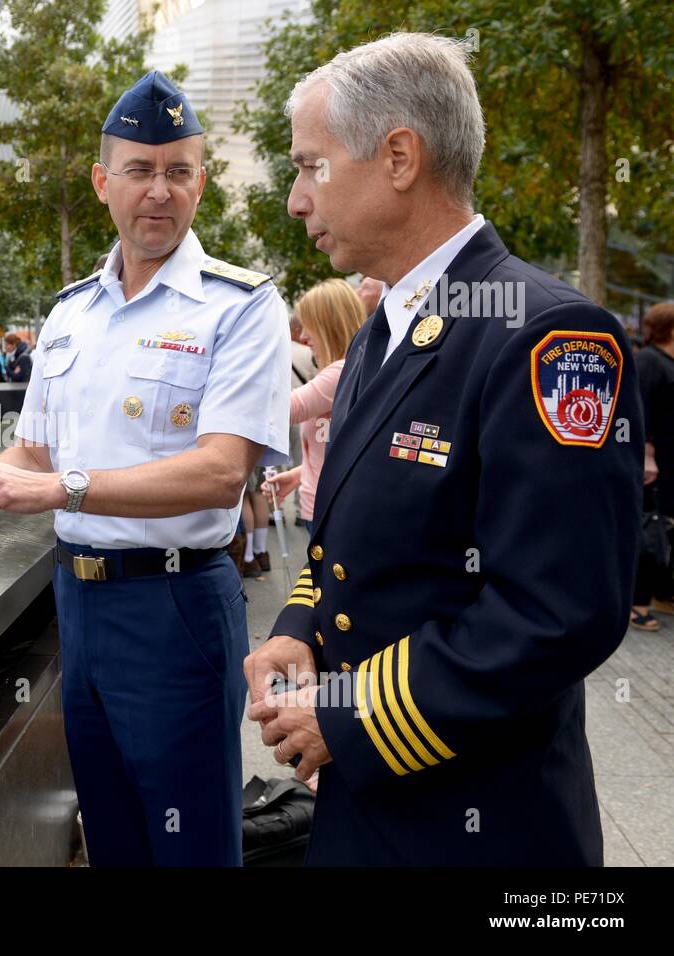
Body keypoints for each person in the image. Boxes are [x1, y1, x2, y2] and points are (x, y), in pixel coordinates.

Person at [243, 33, 641, 866]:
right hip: (367, 804)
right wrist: (299, 628)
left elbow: (559, 609)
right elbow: (356, 538)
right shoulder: (390, 326)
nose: (294, 199)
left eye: (311, 166)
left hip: (483, 821)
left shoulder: (548, 336)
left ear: (398, 158)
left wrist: (346, 714)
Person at [0, 69, 290, 866]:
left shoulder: (241, 307)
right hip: (80, 604)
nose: (160, 191)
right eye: (140, 170)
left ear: (201, 183)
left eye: (179, 170)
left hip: (176, 606)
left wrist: (57, 487)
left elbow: (219, 475)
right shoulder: (72, 311)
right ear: (103, 181)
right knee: (112, 842)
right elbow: (35, 451)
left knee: (193, 851)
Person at [262, 278, 366, 523]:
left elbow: (286, 410)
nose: (304, 336)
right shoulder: (350, 367)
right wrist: (299, 475)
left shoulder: (341, 370)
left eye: (309, 326)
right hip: (326, 506)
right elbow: (332, 452)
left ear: (329, 326)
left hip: (326, 510)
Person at [631, 302, 674, 629]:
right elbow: (640, 411)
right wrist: (647, 456)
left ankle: (662, 591)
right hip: (653, 466)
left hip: (668, 463)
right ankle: (637, 602)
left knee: (664, 529)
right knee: (649, 529)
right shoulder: (649, 361)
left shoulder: (668, 362)